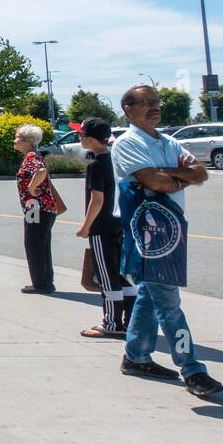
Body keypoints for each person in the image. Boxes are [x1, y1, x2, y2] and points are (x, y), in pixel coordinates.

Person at [113, 85, 223, 397]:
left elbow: (201, 173)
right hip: (148, 234)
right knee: (169, 303)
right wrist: (175, 177)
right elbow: (154, 181)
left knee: (150, 293)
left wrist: (167, 176)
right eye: (145, 102)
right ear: (128, 109)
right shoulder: (127, 143)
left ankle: (135, 357)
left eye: (155, 101)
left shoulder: (170, 141)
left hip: (171, 228)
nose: (153, 107)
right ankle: (192, 369)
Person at [74, 117, 134, 338]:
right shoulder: (116, 161)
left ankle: (112, 323)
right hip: (120, 224)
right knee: (121, 274)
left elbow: (96, 199)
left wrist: (86, 226)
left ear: (90, 140)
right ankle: (131, 321)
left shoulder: (97, 165)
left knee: (106, 277)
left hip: (102, 227)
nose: (79, 137)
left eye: (81, 135)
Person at [14, 123, 57, 294]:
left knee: (33, 244)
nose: (15, 140)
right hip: (42, 208)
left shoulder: (31, 157)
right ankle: (45, 281)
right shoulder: (34, 155)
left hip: (36, 208)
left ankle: (41, 283)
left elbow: (40, 171)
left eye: (17, 137)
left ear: (27, 140)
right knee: (41, 244)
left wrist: (31, 188)